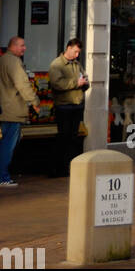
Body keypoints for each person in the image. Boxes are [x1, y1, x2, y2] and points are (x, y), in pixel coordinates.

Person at [0, 37, 39, 186]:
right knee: (8, 145)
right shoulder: (14, 62)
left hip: (4, 109)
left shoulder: (2, 60)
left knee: (4, 143)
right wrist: (34, 101)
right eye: (22, 46)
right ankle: (3, 177)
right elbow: (23, 85)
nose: (25, 48)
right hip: (12, 110)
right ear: (13, 46)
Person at [48, 38, 89, 177]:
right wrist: (76, 83)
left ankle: (69, 167)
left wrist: (85, 83)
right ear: (69, 48)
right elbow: (57, 84)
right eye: (76, 51)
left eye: (79, 52)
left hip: (76, 106)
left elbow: (84, 77)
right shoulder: (57, 64)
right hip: (64, 106)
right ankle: (57, 168)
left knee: (73, 138)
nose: (77, 55)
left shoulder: (77, 64)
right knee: (63, 138)